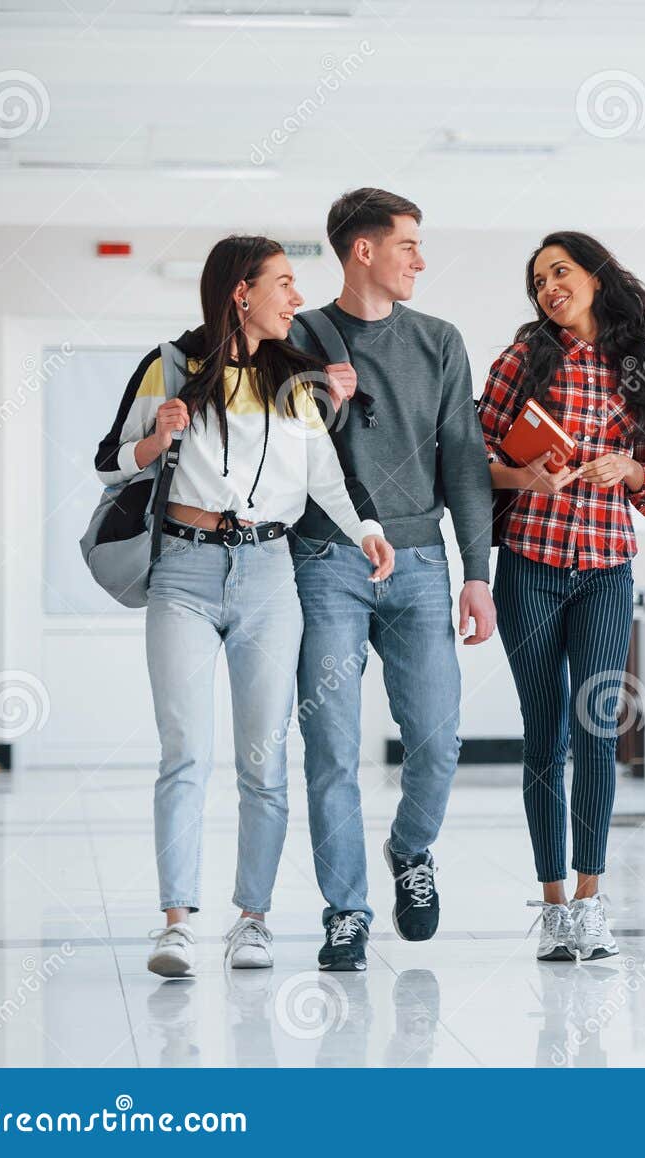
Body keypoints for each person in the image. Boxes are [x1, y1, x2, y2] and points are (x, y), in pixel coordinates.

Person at [95, 236, 394, 979]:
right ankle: (175, 923)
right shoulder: (169, 365)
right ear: (241, 293)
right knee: (185, 753)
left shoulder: (296, 381)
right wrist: (154, 438)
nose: (298, 299)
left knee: (263, 759)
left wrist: (367, 530)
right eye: (286, 284)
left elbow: (324, 474)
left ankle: (252, 920)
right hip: (184, 575)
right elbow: (107, 458)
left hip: (269, 574)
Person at [288, 188, 496, 973]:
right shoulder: (302, 338)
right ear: (363, 251)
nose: (419, 258)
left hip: (419, 564)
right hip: (324, 562)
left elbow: (466, 465)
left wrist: (478, 574)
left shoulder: (439, 341)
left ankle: (411, 849)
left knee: (438, 742)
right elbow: (284, 446)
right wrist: (318, 397)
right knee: (333, 749)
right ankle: (346, 913)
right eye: (407, 243)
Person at [478, 231, 645, 962]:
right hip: (531, 565)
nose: (548, 288)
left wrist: (626, 465)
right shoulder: (521, 359)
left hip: (605, 567)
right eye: (537, 280)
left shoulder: (641, 370)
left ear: (595, 275)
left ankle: (591, 903)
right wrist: (525, 477)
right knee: (545, 733)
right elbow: (474, 459)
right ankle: (554, 902)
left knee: (597, 727)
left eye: (559, 272)